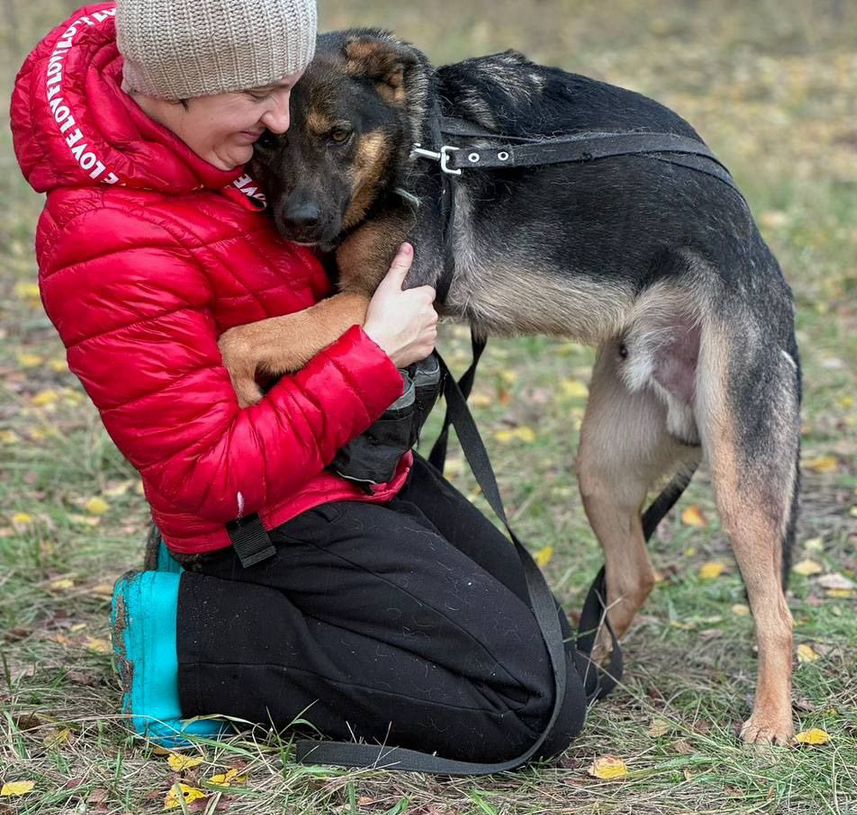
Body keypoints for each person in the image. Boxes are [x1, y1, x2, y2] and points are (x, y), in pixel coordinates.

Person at [10, 0, 587, 764]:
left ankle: (279, 618)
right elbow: (206, 475)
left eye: (285, 91)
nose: (279, 119)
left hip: (348, 465)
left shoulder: (213, 154)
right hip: (262, 517)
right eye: (257, 97)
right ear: (178, 87)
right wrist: (374, 355)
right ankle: (194, 636)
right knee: (529, 706)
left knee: (564, 655)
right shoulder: (109, 241)